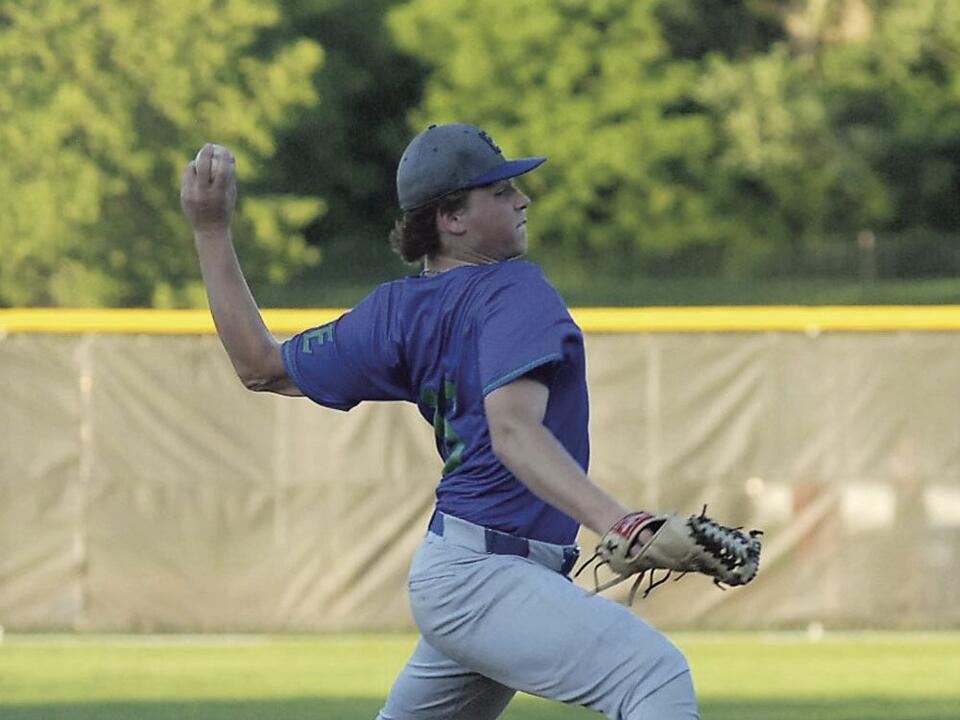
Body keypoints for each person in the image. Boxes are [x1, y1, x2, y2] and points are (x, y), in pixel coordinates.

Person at [180, 123, 699, 720]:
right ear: (452, 217)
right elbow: (513, 431)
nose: (521, 198)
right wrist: (624, 523)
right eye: (500, 192)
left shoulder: (396, 312)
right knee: (653, 678)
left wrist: (212, 230)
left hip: (464, 574)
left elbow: (259, 365)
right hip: (489, 577)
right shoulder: (514, 288)